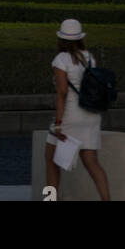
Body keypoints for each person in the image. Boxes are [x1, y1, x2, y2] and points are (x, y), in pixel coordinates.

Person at [44, 18, 110, 201]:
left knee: (50, 162)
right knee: (92, 163)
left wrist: (58, 123)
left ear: (61, 39)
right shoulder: (89, 57)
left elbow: (62, 93)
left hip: (69, 116)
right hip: (90, 115)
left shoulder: (61, 59)